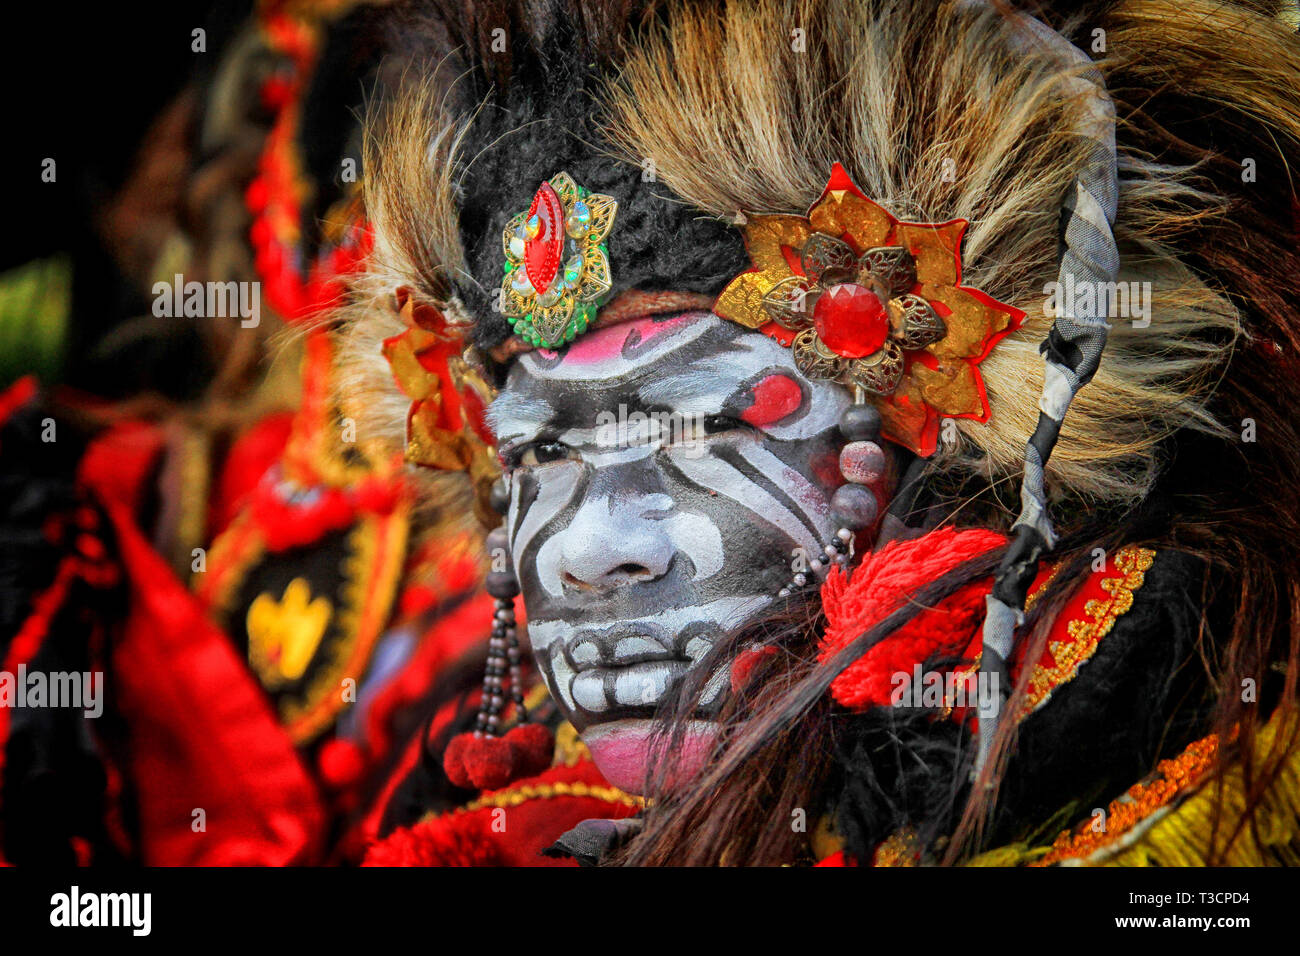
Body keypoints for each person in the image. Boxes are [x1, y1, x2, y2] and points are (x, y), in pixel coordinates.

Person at [352, 0, 1298, 865]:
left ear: (909, 436)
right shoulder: (494, 817)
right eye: (546, 450)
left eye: (706, 426)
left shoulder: (1154, 753)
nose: (594, 550)